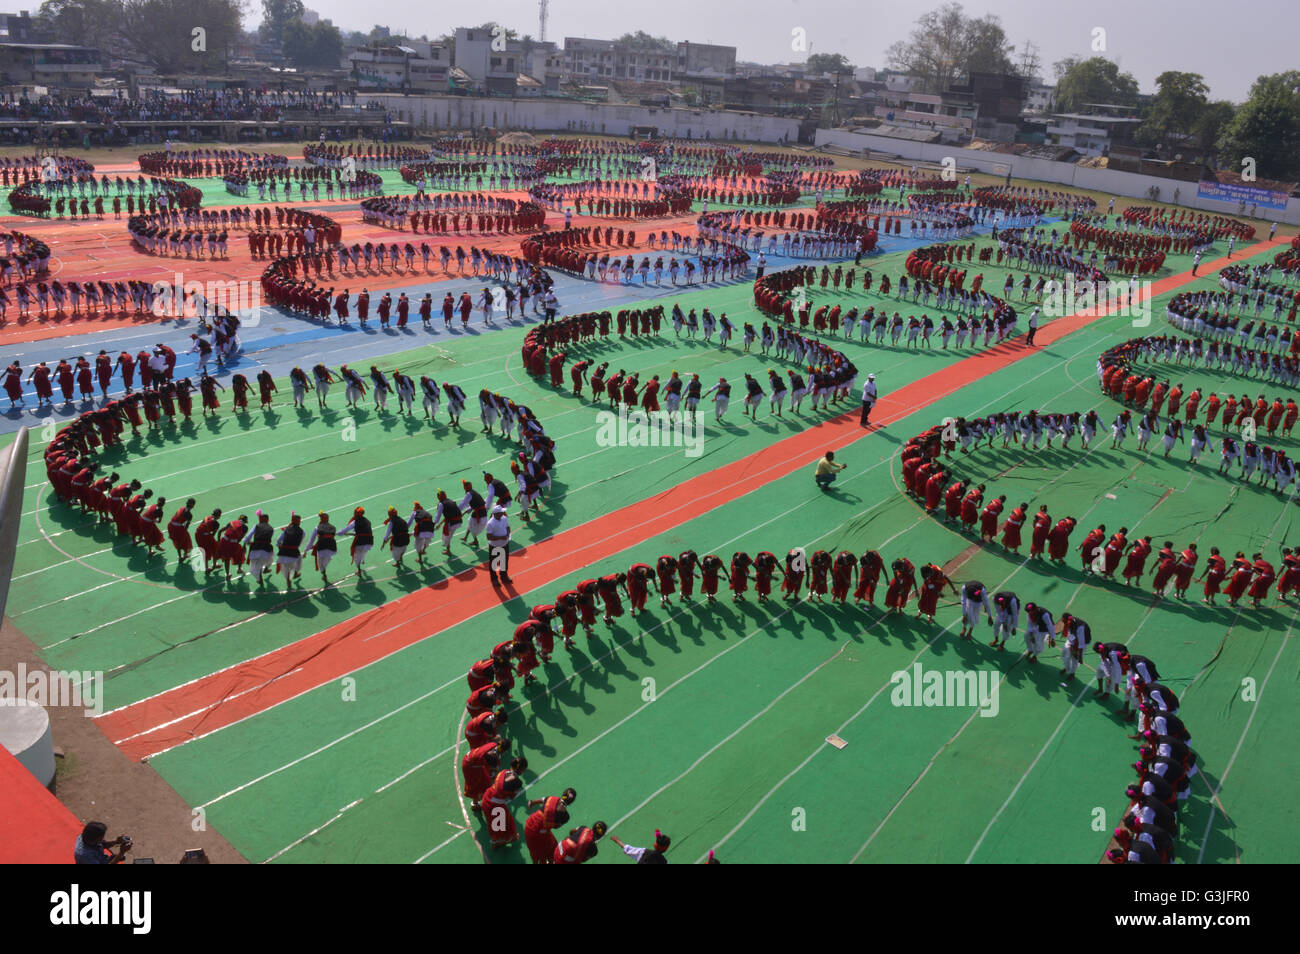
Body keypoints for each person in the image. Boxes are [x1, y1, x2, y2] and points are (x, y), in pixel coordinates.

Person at [486, 504, 513, 586]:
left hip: (504, 544)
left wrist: (508, 535)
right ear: (496, 514)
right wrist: (502, 537)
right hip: (495, 546)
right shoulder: (490, 523)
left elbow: (508, 527)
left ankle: (503, 576)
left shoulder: (504, 518)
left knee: (504, 562)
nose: (503, 513)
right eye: (501, 512)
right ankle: (494, 579)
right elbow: (489, 537)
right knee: (494, 563)